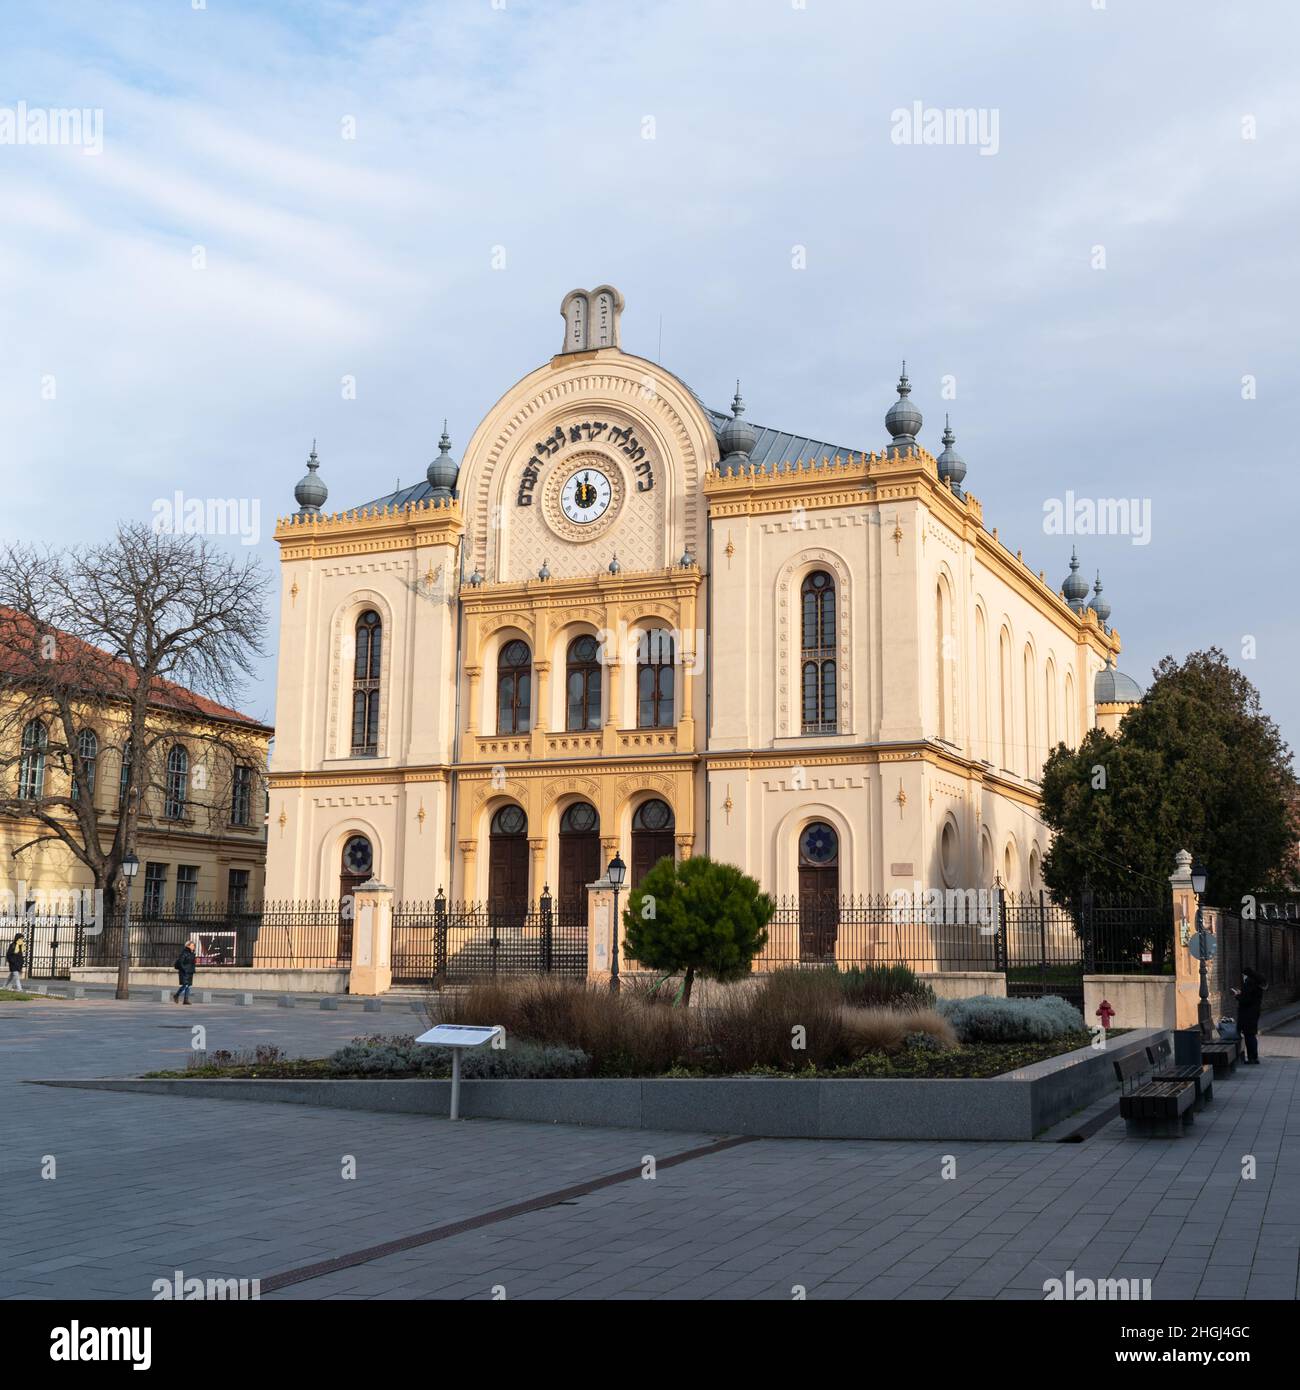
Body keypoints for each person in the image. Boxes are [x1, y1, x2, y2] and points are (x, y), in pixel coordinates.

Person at [1232, 967, 1267, 1064]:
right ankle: (1254, 1057)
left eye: (1243, 975)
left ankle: (1252, 1058)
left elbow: (1246, 1000)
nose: (1242, 977)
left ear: (1246, 975)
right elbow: (1250, 997)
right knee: (1252, 1035)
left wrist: (1237, 995)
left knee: (1249, 1035)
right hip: (1254, 1013)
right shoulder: (1257, 984)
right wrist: (1242, 994)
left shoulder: (1249, 983)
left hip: (1248, 1014)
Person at [173, 940, 197, 1005]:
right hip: (184, 971)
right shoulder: (184, 953)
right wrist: (185, 969)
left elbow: (192, 963)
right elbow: (181, 962)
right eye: (192, 945)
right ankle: (176, 995)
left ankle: (185, 1000)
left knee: (188, 986)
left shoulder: (192, 953)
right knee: (185, 985)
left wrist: (193, 969)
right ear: (188, 946)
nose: (194, 946)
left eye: (194, 945)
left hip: (190, 971)